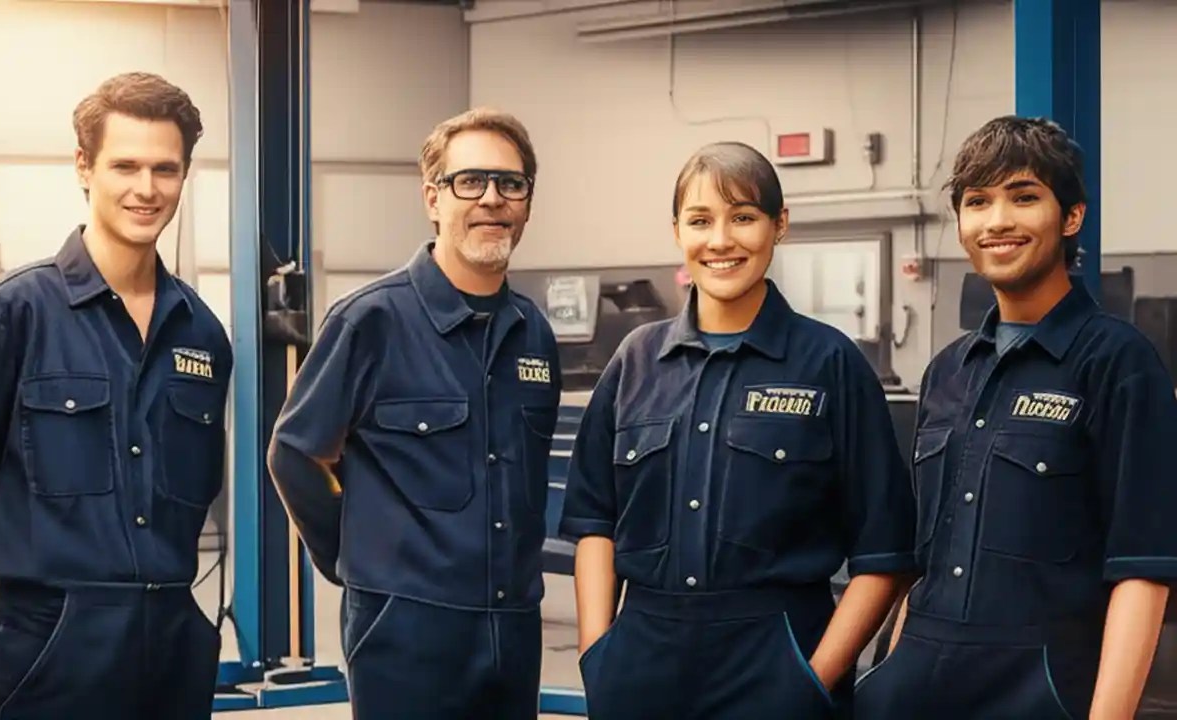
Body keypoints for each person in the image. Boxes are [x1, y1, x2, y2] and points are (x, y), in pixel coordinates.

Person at [0, 72, 230, 720]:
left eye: (165, 169)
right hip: (48, 653)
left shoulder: (203, 334)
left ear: (185, 175)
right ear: (84, 167)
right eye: (125, 165)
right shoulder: (11, 315)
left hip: (171, 650)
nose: (146, 188)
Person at [559, 141, 918, 719]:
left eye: (743, 217)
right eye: (700, 220)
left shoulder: (830, 364)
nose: (720, 240)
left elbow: (885, 554)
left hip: (777, 661)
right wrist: (598, 656)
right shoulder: (636, 361)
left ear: (780, 226)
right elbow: (595, 521)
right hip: (640, 666)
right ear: (677, 230)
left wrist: (811, 683)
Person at [854, 115, 1177, 719]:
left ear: (1071, 217)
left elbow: (1142, 569)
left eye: (1023, 197)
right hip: (911, 690)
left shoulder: (1117, 363)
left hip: (1038, 692)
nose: (997, 220)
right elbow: (924, 563)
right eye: (978, 202)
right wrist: (888, 673)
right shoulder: (947, 371)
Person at [267, 107, 562, 719]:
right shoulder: (371, 321)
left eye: (511, 184)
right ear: (433, 198)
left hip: (513, 628)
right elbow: (296, 453)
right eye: (469, 181)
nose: (492, 199)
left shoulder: (532, 332)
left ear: (528, 203)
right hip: (406, 631)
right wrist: (362, 563)